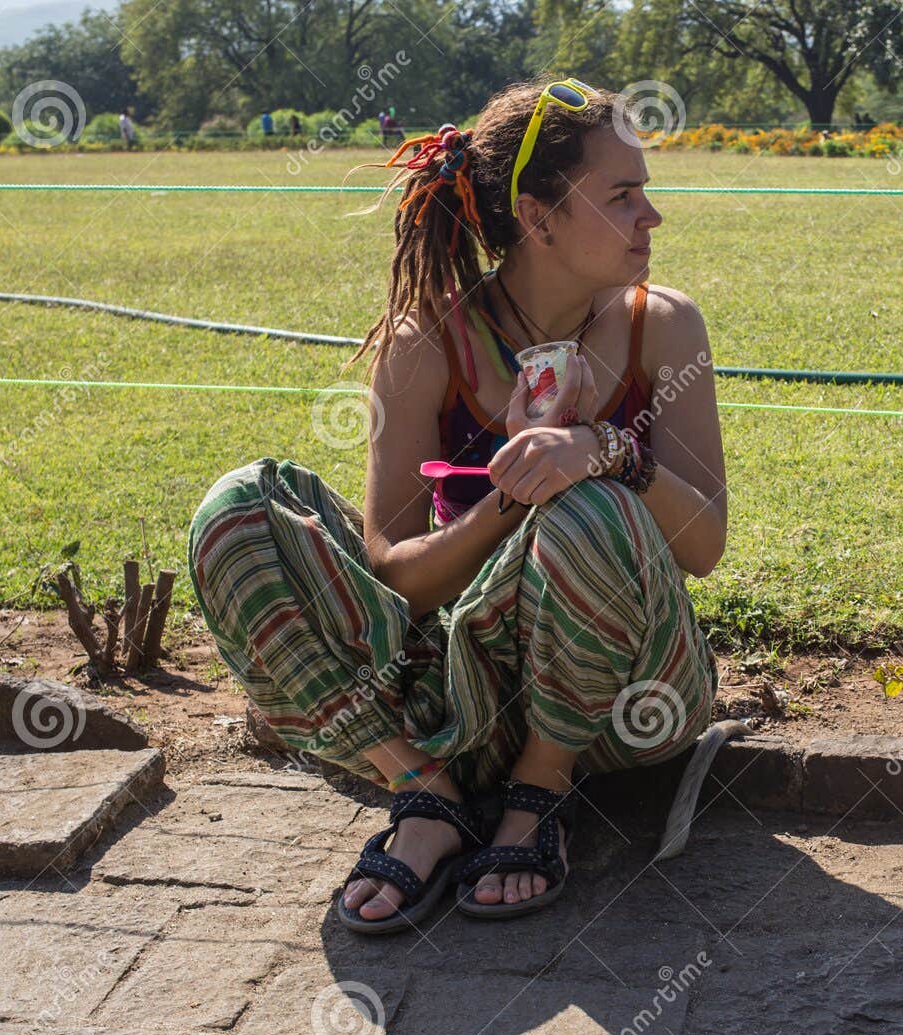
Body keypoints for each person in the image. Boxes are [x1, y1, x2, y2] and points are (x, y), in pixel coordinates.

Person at [187, 78, 726, 933]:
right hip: (450, 697)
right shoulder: (425, 341)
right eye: (624, 195)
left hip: (623, 704)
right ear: (538, 216)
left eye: (646, 192)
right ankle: (424, 793)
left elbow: (703, 547)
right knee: (242, 508)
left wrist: (604, 451)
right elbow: (396, 582)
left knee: (598, 511)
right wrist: (512, 495)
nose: (651, 216)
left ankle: (540, 792)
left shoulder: (664, 325)